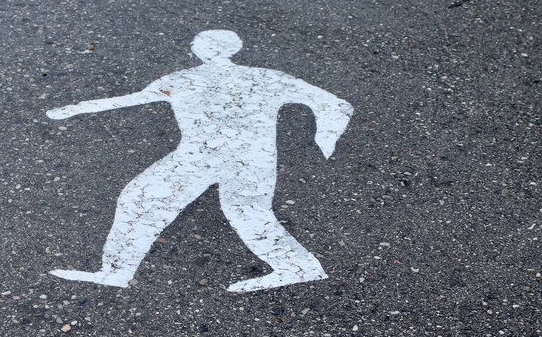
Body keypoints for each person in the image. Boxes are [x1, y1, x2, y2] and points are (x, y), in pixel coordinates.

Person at [46, 30, 353, 292]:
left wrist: (74, 109)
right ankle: (298, 266)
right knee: (248, 211)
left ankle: (116, 272)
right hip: (252, 157)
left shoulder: (183, 79)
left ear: (199, 49)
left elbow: (130, 99)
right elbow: (335, 104)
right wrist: (325, 138)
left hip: (199, 156)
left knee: (139, 199)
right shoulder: (267, 78)